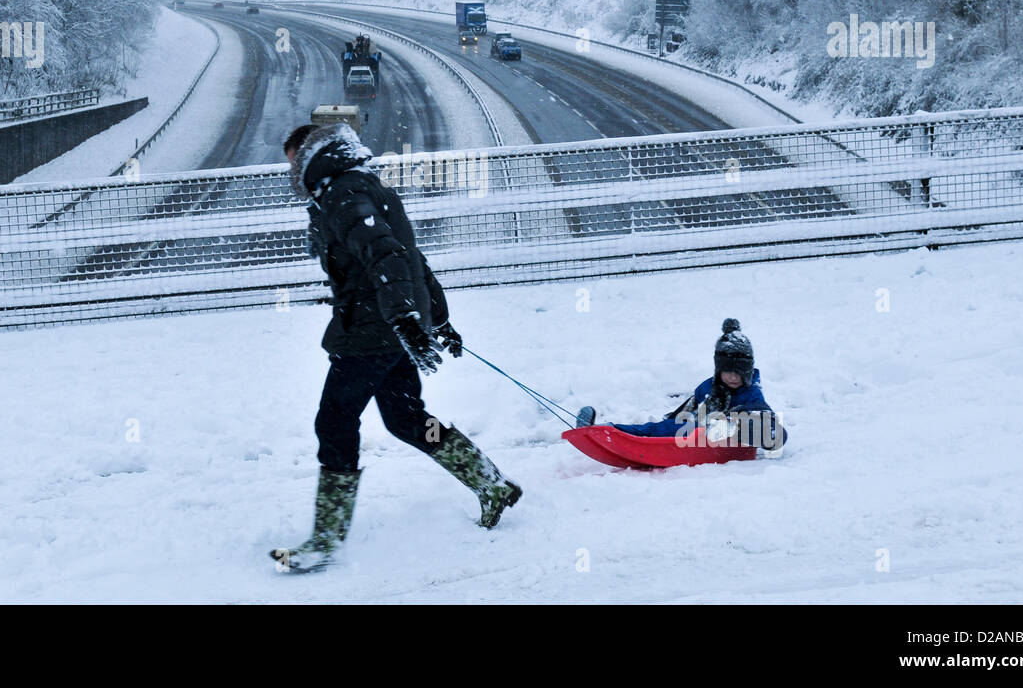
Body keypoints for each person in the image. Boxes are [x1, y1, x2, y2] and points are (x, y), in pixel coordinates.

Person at [271, 123, 522, 573]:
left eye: (291, 161)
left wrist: (407, 318)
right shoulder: (363, 186)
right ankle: (491, 484)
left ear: (307, 155)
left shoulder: (343, 195)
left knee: (334, 422)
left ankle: (326, 539)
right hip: (392, 328)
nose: (290, 171)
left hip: (374, 331)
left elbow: (387, 255)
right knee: (406, 420)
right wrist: (434, 318)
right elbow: (410, 256)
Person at [575, 319, 787, 451]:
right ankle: (605, 431)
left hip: (713, 444)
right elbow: (688, 409)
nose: (732, 377)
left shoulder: (751, 396)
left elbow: (776, 435)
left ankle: (625, 440)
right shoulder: (707, 387)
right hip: (689, 431)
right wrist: (672, 420)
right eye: (727, 371)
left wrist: (730, 425)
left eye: (738, 373)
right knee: (656, 429)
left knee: (683, 430)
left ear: (747, 372)